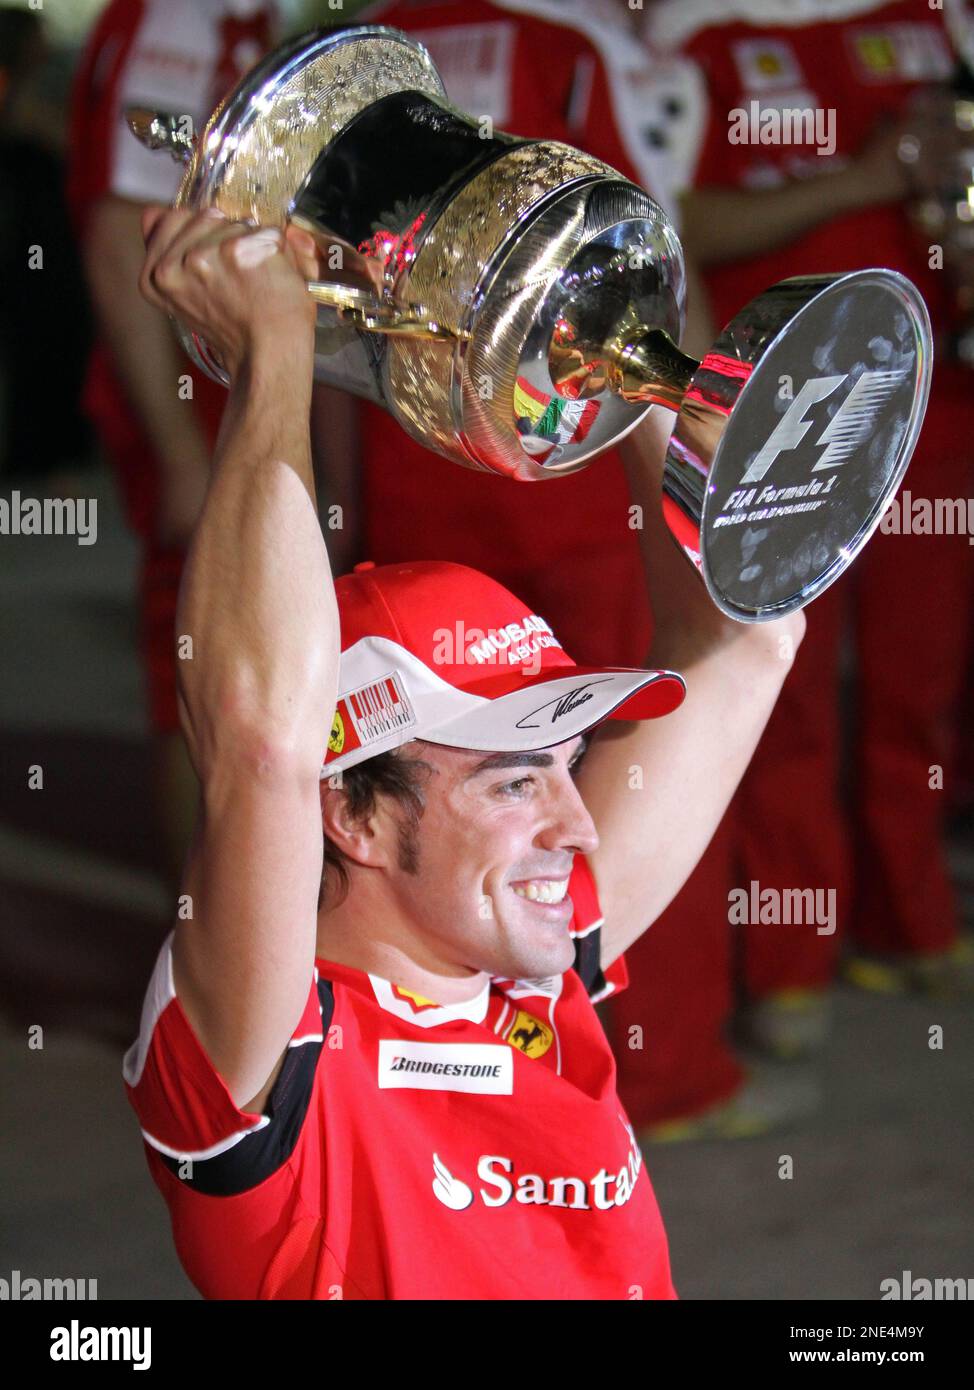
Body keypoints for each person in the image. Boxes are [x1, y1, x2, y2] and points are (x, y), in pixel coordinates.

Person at [121, 203, 805, 1299]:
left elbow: (749, 636)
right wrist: (275, 348)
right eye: (509, 777)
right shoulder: (269, 1050)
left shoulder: (531, 965)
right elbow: (258, 743)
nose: (575, 821)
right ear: (352, 813)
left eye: (560, 762)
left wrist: (620, 367)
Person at [607, 0, 974, 1143]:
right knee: (780, 695)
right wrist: (862, 182)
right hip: (771, 419)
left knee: (917, 678)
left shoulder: (928, 20)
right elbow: (669, 230)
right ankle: (787, 960)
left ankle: (907, 920)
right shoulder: (682, 36)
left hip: (928, 403)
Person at [67, 0, 278, 876]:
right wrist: (180, 452)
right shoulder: (172, 19)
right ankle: (210, 959)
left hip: (228, 388)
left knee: (256, 667)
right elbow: (121, 237)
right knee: (204, 678)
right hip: (196, 400)